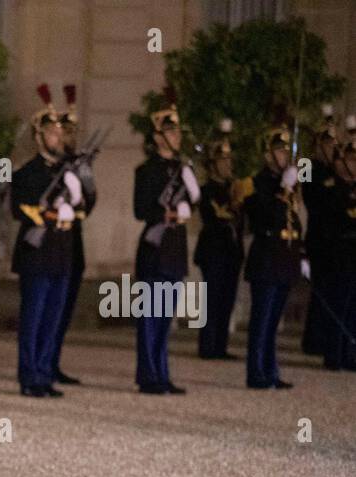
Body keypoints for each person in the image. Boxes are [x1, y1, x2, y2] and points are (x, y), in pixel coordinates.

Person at [10, 84, 80, 398]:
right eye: (52, 133)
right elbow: (18, 208)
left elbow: (84, 205)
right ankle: (29, 376)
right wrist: (49, 212)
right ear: (39, 137)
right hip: (37, 254)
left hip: (61, 253)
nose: (58, 138)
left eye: (60, 133)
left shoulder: (68, 171)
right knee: (34, 318)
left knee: (52, 319)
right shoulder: (27, 172)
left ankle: (45, 372)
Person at [131, 86, 195, 395]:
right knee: (150, 318)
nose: (177, 136)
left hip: (174, 251)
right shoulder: (147, 171)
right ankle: (148, 376)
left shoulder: (182, 169)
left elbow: (191, 203)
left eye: (178, 130)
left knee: (165, 319)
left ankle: (163, 373)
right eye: (171, 131)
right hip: (155, 251)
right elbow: (140, 209)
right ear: (158, 137)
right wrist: (168, 214)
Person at [241, 117, 306, 390]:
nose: (283, 156)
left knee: (274, 321)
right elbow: (263, 216)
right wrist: (284, 189)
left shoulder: (287, 183)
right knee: (262, 320)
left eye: (285, 151)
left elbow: (294, 221)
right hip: (266, 258)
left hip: (284, 258)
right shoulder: (256, 183)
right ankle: (256, 373)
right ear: (268, 154)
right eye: (279, 151)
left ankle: (271, 370)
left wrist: (301, 254)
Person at [49, 83, 96, 385]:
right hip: (52, 241)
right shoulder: (52, 166)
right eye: (66, 132)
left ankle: (53, 361)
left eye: (73, 133)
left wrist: (85, 176)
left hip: (72, 242)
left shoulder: (75, 165)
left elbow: (88, 203)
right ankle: (42, 363)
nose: (71, 138)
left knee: (63, 310)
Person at [192, 119, 244, 361]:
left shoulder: (236, 187)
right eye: (223, 161)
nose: (227, 165)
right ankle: (207, 346)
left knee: (227, 299)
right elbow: (213, 217)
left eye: (229, 161)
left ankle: (220, 346)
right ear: (213, 165)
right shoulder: (207, 190)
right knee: (212, 300)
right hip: (213, 251)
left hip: (232, 251)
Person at [300, 105, 340, 356]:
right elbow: (307, 197)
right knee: (318, 290)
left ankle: (325, 338)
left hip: (334, 238)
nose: (333, 148)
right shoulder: (306, 163)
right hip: (316, 235)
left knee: (331, 289)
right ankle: (312, 340)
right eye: (328, 143)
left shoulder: (336, 168)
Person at [320, 127, 356, 371]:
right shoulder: (331, 187)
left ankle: (350, 355)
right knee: (338, 306)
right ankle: (333, 355)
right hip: (339, 253)